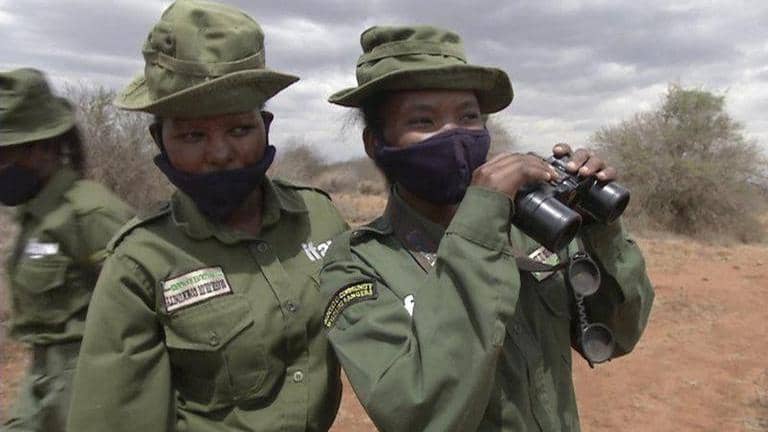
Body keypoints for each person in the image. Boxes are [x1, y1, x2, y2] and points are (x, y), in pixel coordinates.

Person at [319, 25, 655, 431]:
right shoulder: (358, 264)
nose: (454, 136)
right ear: (376, 143)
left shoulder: (531, 229)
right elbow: (419, 414)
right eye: (424, 120)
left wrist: (601, 228)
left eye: (468, 117)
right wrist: (480, 221)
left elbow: (620, 335)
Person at [66, 1, 347, 431]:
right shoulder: (140, 264)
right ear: (160, 140)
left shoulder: (319, 217)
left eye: (239, 129)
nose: (219, 154)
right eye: (193, 135)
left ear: (265, 126)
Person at [0, 68, 135, 432]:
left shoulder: (90, 212)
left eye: (4, 155)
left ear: (44, 148)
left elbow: (141, 306)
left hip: (88, 375)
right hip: (43, 369)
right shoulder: (34, 213)